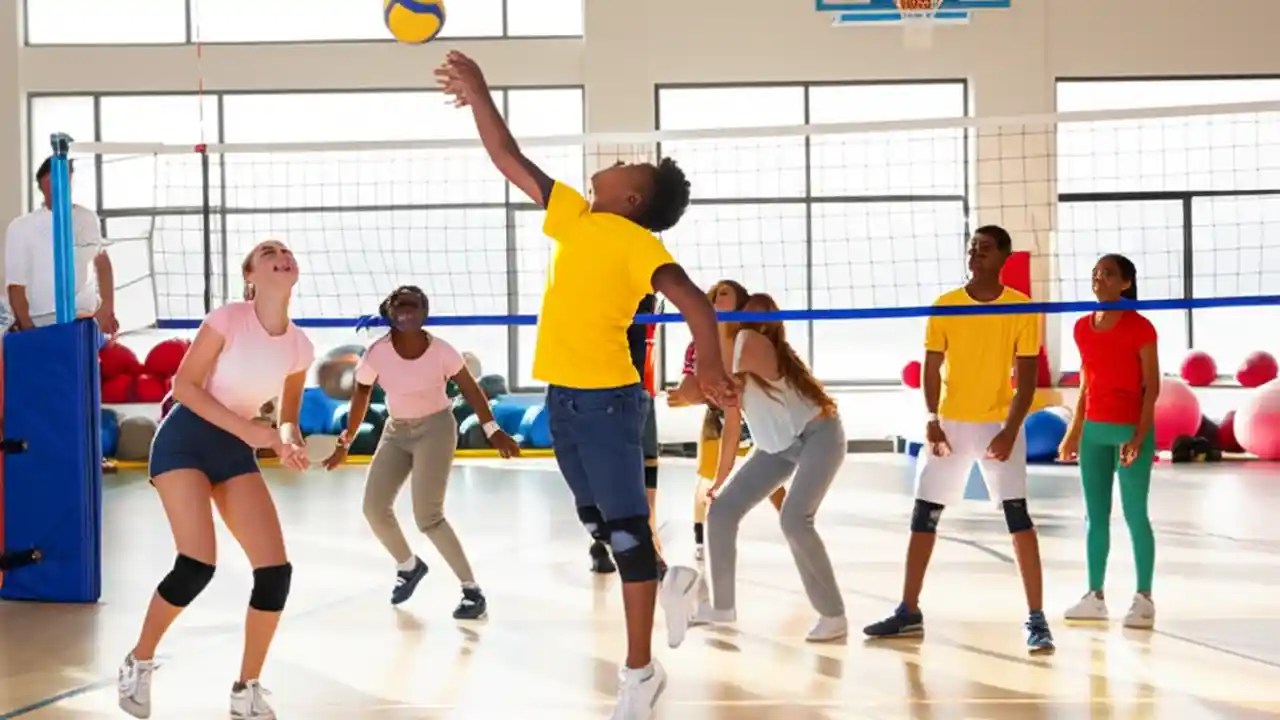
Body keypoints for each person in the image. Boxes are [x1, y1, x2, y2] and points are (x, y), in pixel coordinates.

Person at [436, 50, 737, 720]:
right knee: (598, 524)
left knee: (627, 534)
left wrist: (708, 365)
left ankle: (639, 674)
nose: (619, 159)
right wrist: (480, 90)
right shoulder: (574, 214)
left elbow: (694, 300)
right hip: (562, 399)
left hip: (606, 401)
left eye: (635, 167)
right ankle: (674, 583)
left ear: (632, 199)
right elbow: (507, 156)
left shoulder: (637, 244)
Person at [117, 240, 314, 719]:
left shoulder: (300, 347)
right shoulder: (227, 318)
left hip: (233, 447)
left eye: (286, 252)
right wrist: (252, 431)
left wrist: (289, 442)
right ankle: (138, 660)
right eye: (268, 253)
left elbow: (288, 417)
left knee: (275, 572)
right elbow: (181, 386)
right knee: (197, 564)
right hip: (185, 438)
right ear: (250, 274)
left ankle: (246, 690)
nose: (281, 256)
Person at [862, 225, 1055, 654]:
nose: (976, 254)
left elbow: (1025, 381)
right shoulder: (945, 305)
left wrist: (1009, 429)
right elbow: (931, 368)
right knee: (923, 516)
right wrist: (931, 418)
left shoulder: (1022, 308)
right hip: (949, 423)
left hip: (997, 425)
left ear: (1004, 257)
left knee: (1018, 518)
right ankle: (908, 611)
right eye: (972, 248)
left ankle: (1037, 619)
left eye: (985, 249)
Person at [323, 285, 520, 620]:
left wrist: (493, 429)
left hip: (436, 428)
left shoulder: (442, 351)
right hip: (397, 431)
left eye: (415, 305)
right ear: (390, 312)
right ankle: (408, 565)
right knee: (374, 509)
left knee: (428, 517)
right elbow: (361, 393)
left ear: (425, 312)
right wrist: (345, 443)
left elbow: (471, 389)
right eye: (401, 305)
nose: (408, 311)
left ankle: (472, 592)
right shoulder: (378, 353)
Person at [664, 293, 848, 646]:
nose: (727, 308)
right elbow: (732, 427)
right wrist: (718, 482)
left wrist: (694, 391)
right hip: (777, 447)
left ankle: (833, 614)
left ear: (771, 324)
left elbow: (710, 387)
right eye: (717, 300)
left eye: (729, 301)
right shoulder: (726, 352)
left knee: (794, 519)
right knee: (721, 511)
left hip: (819, 435)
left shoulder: (751, 342)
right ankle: (722, 608)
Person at [1058, 254, 1159, 628]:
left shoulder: (1141, 328)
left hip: (1129, 431)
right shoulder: (1083, 327)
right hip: (1094, 434)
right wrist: (1073, 431)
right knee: (1094, 517)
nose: (1099, 279)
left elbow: (1152, 387)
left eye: (1108, 274)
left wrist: (1139, 433)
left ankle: (1144, 598)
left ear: (1126, 283)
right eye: (1095, 273)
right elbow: (1086, 383)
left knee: (1135, 516)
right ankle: (1095, 595)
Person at [667, 280, 785, 562]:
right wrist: (691, 395)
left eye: (724, 293)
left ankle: (795, 526)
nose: (716, 298)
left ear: (740, 302)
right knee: (706, 478)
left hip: (754, 417)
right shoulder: (697, 346)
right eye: (714, 295)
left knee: (772, 484)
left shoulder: (750, 339)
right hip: (719, 416)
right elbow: (687, 390)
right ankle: (700, 539)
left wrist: (697, 393)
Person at [591, 293, 665, 575]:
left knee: (647, 473)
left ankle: (650, 548)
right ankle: (605, 542)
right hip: (617, 395)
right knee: (619, 477)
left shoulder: (654, 297)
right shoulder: (615, 296)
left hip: (643, 392)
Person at [5, 157, 117, 334]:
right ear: (42, 184)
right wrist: (27, 328)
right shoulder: (21, 227)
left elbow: (102, 263)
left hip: (85, 317)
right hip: (42, 321)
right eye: (52, 180)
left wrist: (107, 309)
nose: (59, 185)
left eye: (66, 178)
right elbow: (16, 285)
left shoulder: (86, 218)